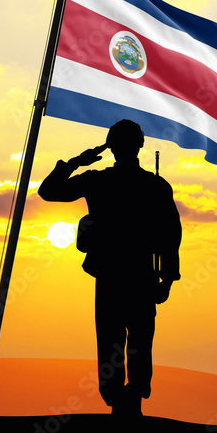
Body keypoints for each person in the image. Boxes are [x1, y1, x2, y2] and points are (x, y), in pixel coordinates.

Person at [38, 119, 181, 417]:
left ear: (111, 146)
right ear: (140, 144)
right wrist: (167, 278)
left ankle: (123, 401)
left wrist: (77, 162)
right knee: (135, 340)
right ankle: (128, 401)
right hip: (133, 274)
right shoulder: (153, 185)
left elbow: (49, 190)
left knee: (114, 340)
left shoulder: (99, 180)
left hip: (117, 275)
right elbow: (171, 235)